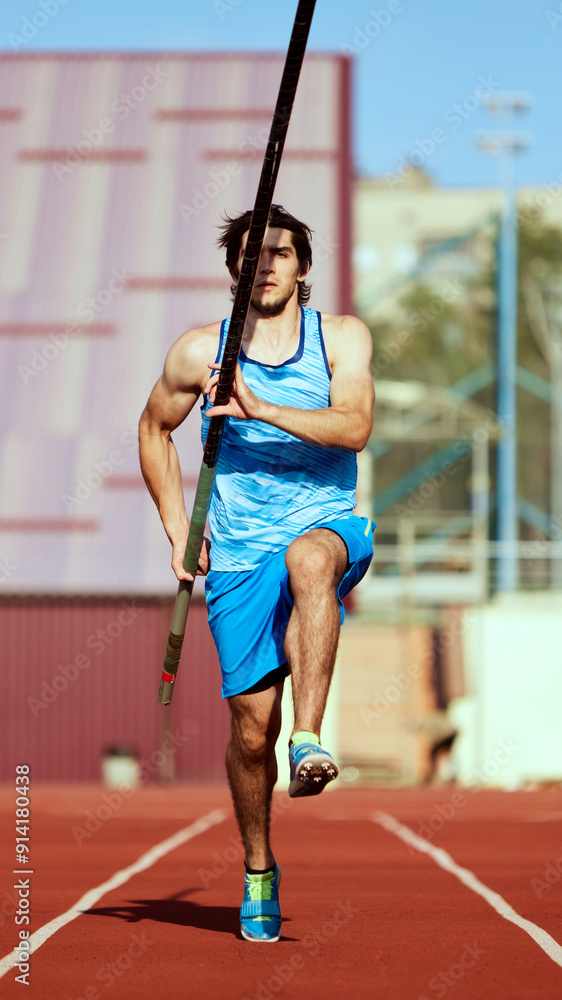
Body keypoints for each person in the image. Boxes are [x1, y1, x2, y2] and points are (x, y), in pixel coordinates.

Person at [139, 205, 375, 943]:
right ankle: (258, 866)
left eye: (280, 253)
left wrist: (258, 406)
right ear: (234, 271)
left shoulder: (340, 338)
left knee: (311, 560)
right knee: (249, 732)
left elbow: (355, 427)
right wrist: (178, 528)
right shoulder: (199, 352)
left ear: (303, 267)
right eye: (251, 255)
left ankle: (309, 739)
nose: (265, 265)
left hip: (324, 522)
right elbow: (154, 428)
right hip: (239, 553)